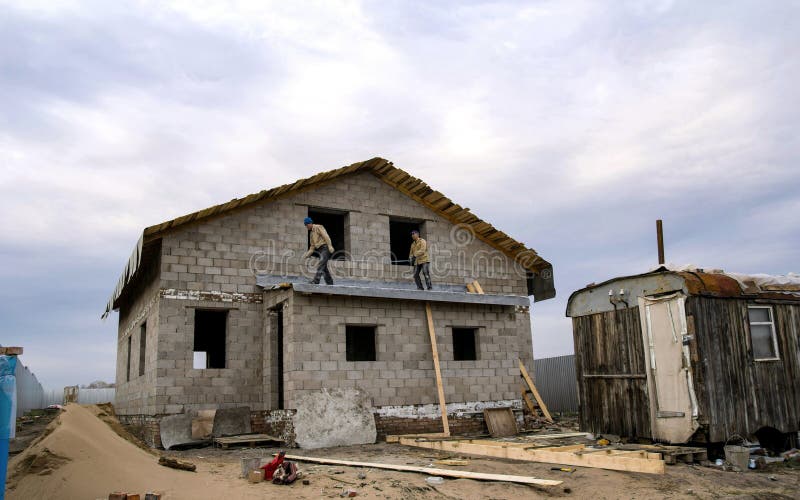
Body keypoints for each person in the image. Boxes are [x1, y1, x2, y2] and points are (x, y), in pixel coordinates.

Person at [303, 217, 334, 285]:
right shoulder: (311, 234)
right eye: (305, 225)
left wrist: (329, 245)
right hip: (320, 250)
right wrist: (307, 254)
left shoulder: (318, 227)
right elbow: (312, 246)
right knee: (324, 267)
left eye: (307, 225)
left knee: (321, 263)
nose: (306, 227)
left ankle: (316, 280)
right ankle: (330, 282)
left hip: (325, 247)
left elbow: (326, 236)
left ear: (310, 223)